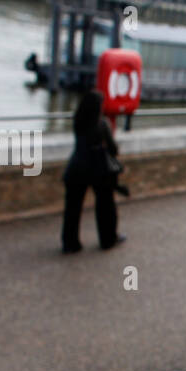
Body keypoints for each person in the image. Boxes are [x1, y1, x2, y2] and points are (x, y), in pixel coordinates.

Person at [61, 90, 126, 253]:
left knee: (72, 209)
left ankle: (70, 243)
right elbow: (112, 148)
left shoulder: (78, 121)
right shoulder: (102, 124)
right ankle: (108, 239)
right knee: (105, 206)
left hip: (76, 167)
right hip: (98, 169)